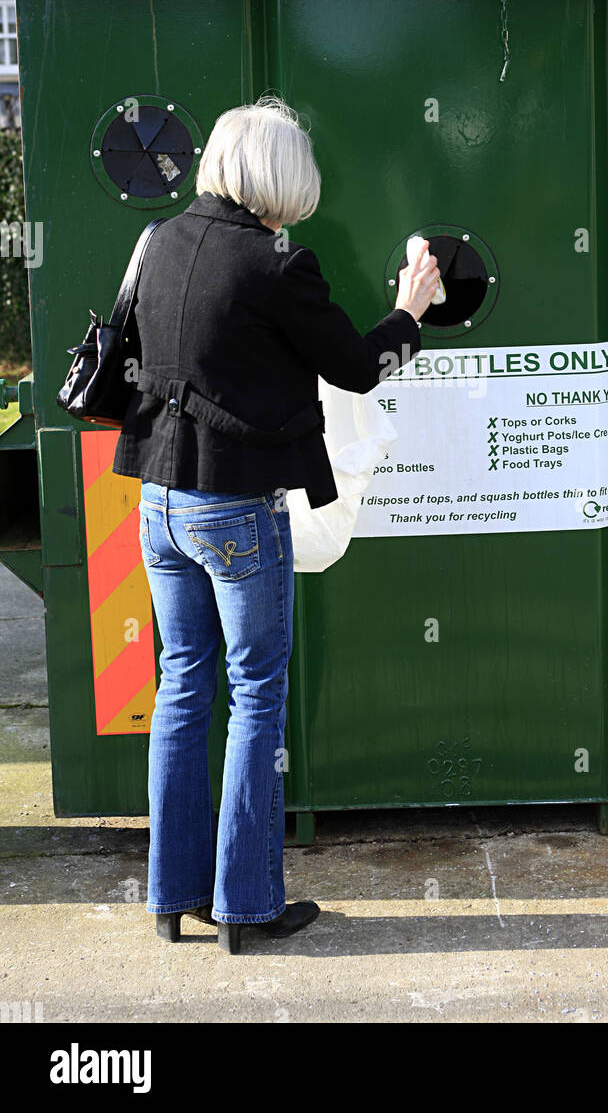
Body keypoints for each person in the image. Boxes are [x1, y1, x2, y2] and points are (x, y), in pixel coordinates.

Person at [111, 94, 439, 954]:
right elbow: (361, 371)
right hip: (234, 511)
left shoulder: (157, 242)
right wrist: (411, 311)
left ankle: (170, 898)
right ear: (281, 178)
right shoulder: (275, 265)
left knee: (182, 688)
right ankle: (246, 906)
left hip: (158, 503)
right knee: (255, 700)